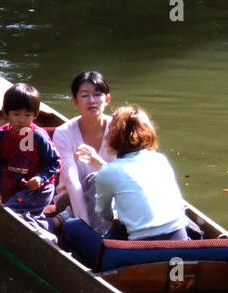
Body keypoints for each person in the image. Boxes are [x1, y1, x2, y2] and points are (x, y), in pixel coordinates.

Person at [60, 105, 189, 265]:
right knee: (123, 224)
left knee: (72, 226)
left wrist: (116, 215)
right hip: (182, 245)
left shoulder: (108, 172)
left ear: (113, 137)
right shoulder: (160, 159)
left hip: (141, 256)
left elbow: (104, 214)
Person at [43, 70, 115, 232]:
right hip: (70, 197)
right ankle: (100, 237)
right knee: (98, 179)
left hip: (113, 196)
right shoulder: (64, 133)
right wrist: (86, 227)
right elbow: (72, 182)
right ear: (75, 101)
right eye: (84, 95)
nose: (92, 101)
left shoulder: (118, 128)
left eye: (97, 94)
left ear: (107, 99)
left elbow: (123, 176)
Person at [0, 83, 61, 232]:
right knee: (16, 214)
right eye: (16, 114)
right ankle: (51, 223)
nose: (22, 120)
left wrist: (40, 178)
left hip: (40, 190)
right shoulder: (1, 135)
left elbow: (55, 162)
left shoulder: (38, 136)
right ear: (5, 113)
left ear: (35, 115)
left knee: (8, 214)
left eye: (27, 115)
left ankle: (49, 226)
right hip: (20, 189)